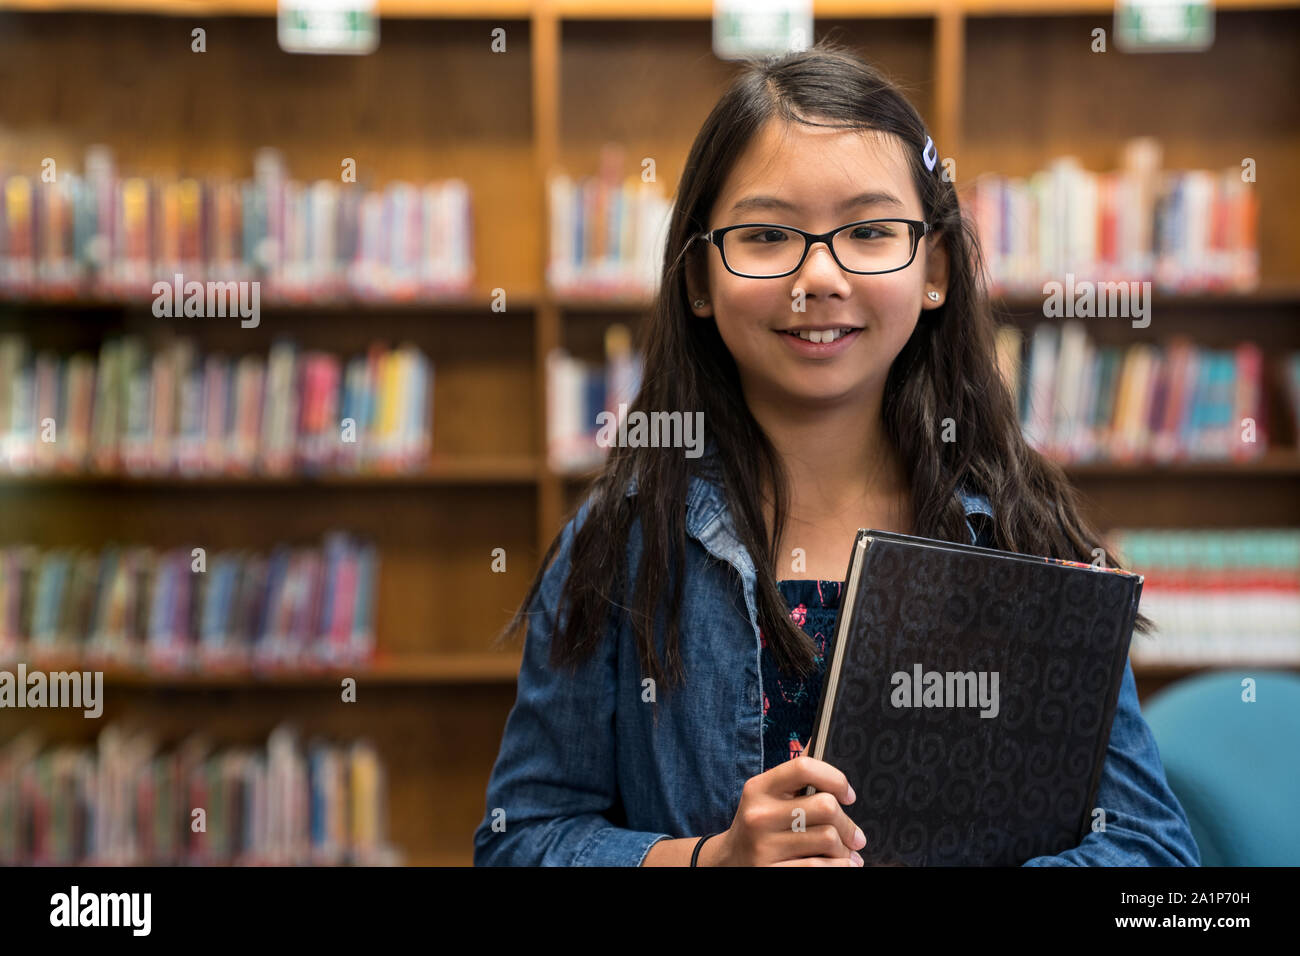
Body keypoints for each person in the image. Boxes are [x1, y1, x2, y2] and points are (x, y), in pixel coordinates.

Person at [472, 40, 1199, 867]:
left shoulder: (1018, 536)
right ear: (699, 280)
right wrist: (711, 860)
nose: (818, 276)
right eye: (768, 234)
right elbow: (520, 841)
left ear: (936, 269)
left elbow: (1150, 850)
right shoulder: (623, 542)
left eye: (869, 230)